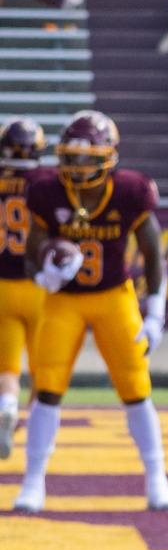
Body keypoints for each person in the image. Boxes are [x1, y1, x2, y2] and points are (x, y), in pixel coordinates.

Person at [17, 111, 168, 513]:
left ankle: (157, 479)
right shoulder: (46, 190)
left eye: (86, 158)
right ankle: (33, 481)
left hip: (113, 297)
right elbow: (31, 252)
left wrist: (155, 313)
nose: (75, 166)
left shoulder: (130, 191)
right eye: (69, 157)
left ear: (108, 158)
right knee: (47, 389)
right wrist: (43, 276)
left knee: (136, 389)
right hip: (63, 301)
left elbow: (153, 255)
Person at [0, 119, 47, 459]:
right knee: (44, 369)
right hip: (40, 288)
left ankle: (7, 406)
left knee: (7, 369)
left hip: (2, 288)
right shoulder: (46, 183)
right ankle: (39, 430)